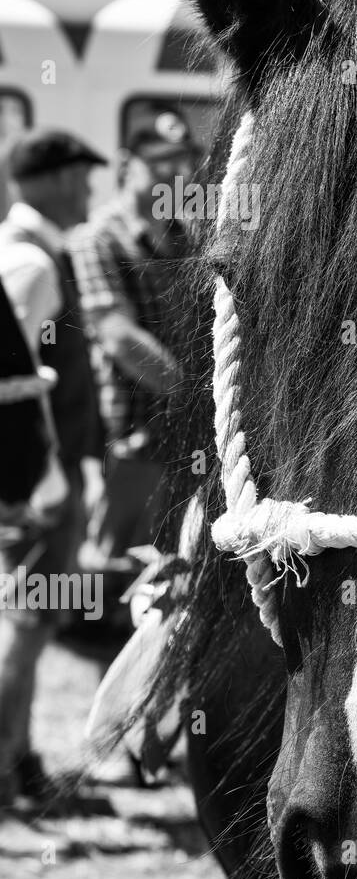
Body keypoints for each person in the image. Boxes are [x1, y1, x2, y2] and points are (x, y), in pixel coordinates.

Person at [0, 128, 107, 804]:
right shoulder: (32, 264)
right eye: (83, 175)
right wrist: (46, 474)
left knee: (31, 623)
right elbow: (11, 384)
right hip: (41, 480)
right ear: (59, 178)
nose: (91, 189)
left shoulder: (37, 256)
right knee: (27, 624)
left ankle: (19, 759)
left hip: (45, 474)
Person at [69, 108, 197, 587]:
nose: (177, 173)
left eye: (184, 160)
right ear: (126, 164)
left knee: (169, 571)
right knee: (116, 572)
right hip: (134, 436)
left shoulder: (185, 238)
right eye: (162, 161)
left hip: (185, 439)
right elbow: (118, 336)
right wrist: (196, 395)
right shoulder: (97, 238)